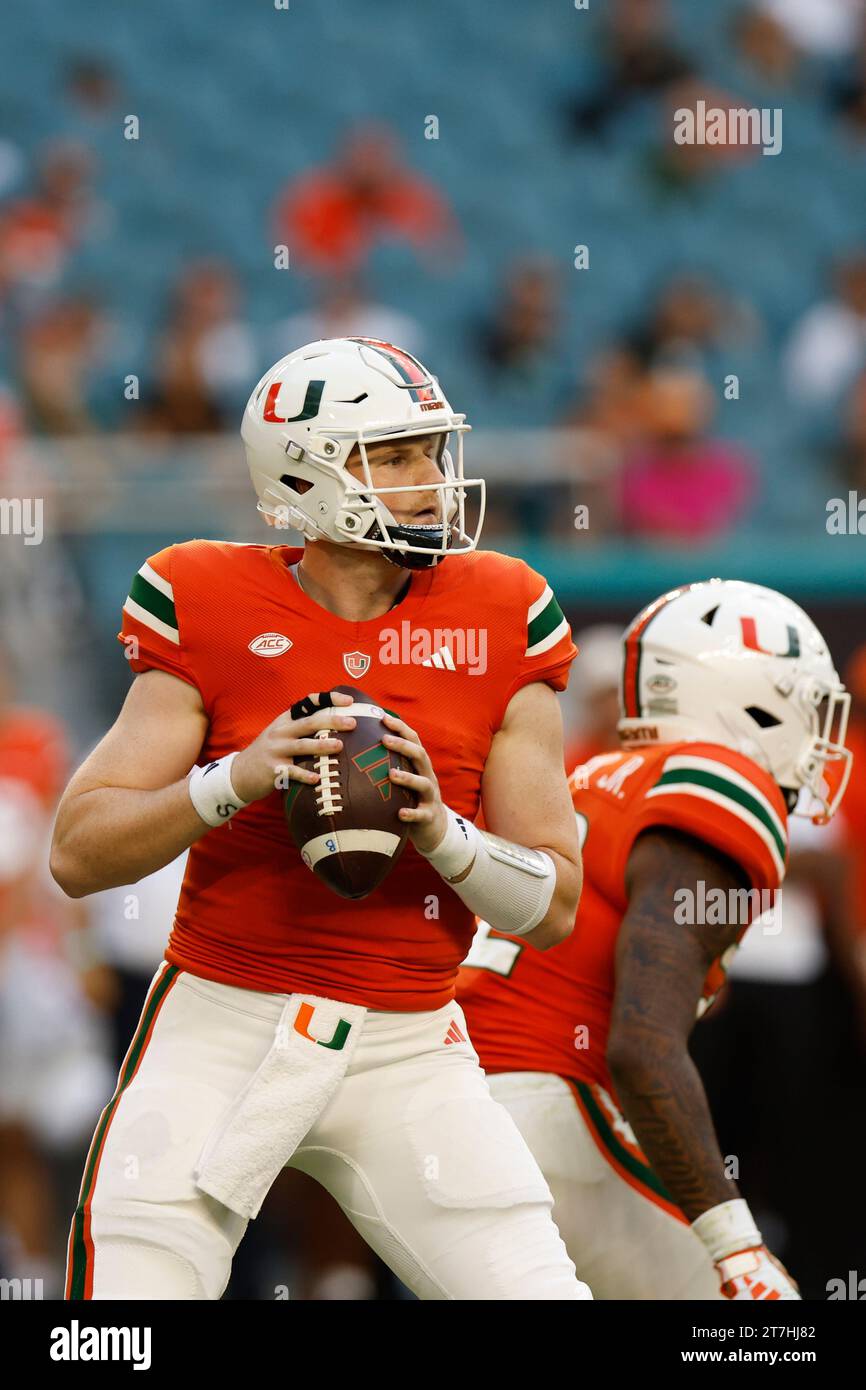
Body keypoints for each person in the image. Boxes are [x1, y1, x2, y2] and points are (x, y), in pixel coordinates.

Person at [50, 336, 589, 1301]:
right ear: (305, 471)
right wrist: (236, 780)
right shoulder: (206, 594)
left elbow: (553, 905)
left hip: (412, 1040)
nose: (429, 479)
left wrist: (442, 834)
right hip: (221, 1020)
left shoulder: (503, 609)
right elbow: (78, 853)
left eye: (430, 449)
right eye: (394, 455)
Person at [458, 579, 851, 1300]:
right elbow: (641, 1048)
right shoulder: (718, 786)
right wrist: (735, 1245)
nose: (817, 732)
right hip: (544, 1105)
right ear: (742, 696)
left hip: (463, 1102)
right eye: (803, 702)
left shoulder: (596, 774)